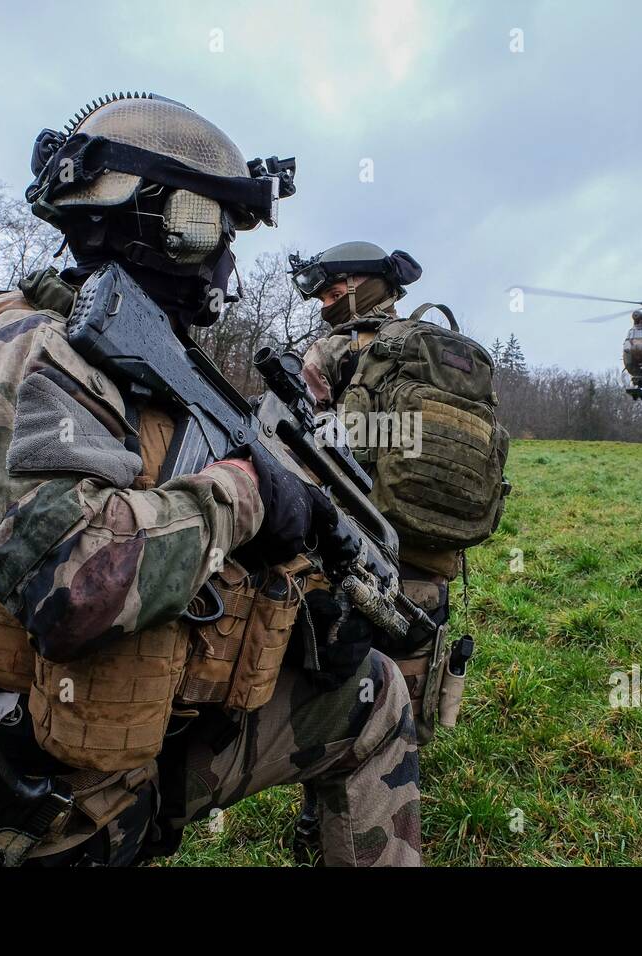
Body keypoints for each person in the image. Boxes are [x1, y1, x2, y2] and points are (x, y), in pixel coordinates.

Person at [0, 94, 420, 867]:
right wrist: (247, 493)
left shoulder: (127, 365)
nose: (222, 261)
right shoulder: (24, 357)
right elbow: (77, 586)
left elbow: (164, 511)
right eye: (206, 225)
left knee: (373, 695)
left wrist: (309, 611)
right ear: (141, 218)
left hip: (125, 740)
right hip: (29, 801)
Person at [288, 242, 457, 861]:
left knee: (348, 700)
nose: (323, 302)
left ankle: (325, 824)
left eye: (331, 290)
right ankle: (401, 804)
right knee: (408, 689)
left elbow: (300, 443)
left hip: (355, 554)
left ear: (360, 288)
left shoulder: (335, 350)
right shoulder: (441, 348)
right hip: (433, 555)